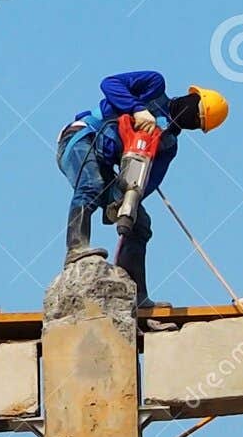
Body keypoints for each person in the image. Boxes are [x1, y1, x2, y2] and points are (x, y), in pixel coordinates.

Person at [56, 71, 228, 308]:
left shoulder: (167, 145)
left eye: (198, 122)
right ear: (192, 98)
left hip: (106, 164)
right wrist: (137, 108)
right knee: (91, 184)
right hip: (82, 139)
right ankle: (76, 248)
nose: (193, 119)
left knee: (140, 223)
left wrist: (124, 205)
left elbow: (143, 185)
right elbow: (109, 83)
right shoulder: (153, 86)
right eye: (196, 112)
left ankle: (135, 296)